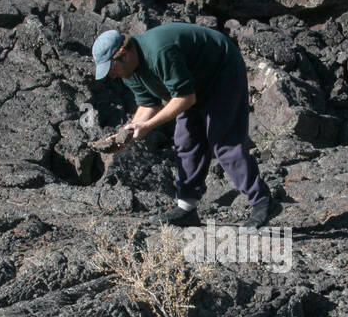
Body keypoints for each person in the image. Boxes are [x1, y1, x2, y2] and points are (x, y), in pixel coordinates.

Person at [92, 22, 276, 227]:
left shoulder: (159, 52)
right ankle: (187, 209)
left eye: (111, 67)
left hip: (221, 71)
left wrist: (148, 126)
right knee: (186, 141)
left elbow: (185, 98)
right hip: (193, 82)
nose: (111, 75)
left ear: (123, 53)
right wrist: (127, 134)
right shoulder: (129, 72)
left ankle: (263, 202)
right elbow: (147, 103)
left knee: (223, 142)